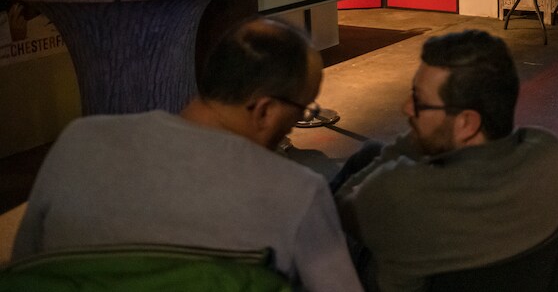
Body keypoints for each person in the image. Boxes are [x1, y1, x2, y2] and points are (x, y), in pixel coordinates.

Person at [12, 18, 362, 292]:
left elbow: (25, 262)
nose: (295, 124)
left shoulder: (79, 140)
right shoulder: (297, 190)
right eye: (302, 109)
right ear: (265, 111)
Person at [334, 30, 558, 292]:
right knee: (371, 151)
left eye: (419, 101)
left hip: (368, 279)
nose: (406, 108)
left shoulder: (398, 190)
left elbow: (339, 208)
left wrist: (414, 140)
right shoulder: (549, 153)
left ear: (466, 123)